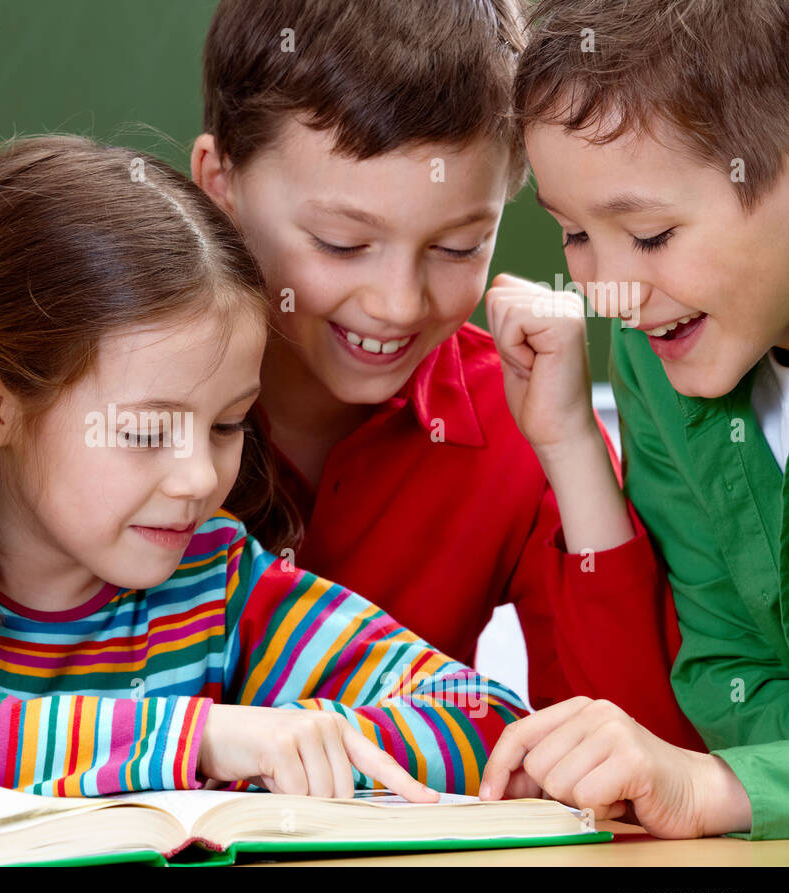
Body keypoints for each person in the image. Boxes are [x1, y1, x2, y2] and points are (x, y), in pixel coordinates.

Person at [0, 136, 529, 799]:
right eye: (148, 431)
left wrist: (294, 742)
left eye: (228, 424)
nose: (198, 478)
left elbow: (483, 717)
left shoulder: (215, 579)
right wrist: (203, 740)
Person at [194, 0, 702, 748]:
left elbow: (638, 760)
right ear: (221, 183)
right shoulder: (116, 390)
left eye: (459, 247)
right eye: (340, 243)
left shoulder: (519, 416)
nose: (399, 305)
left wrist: (569, 450)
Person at [481, 0, 789, 840]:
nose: (607, 290)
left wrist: (730, 788)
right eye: (575, 234)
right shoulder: (657, 368)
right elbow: (728, 669)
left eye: (650, 236)